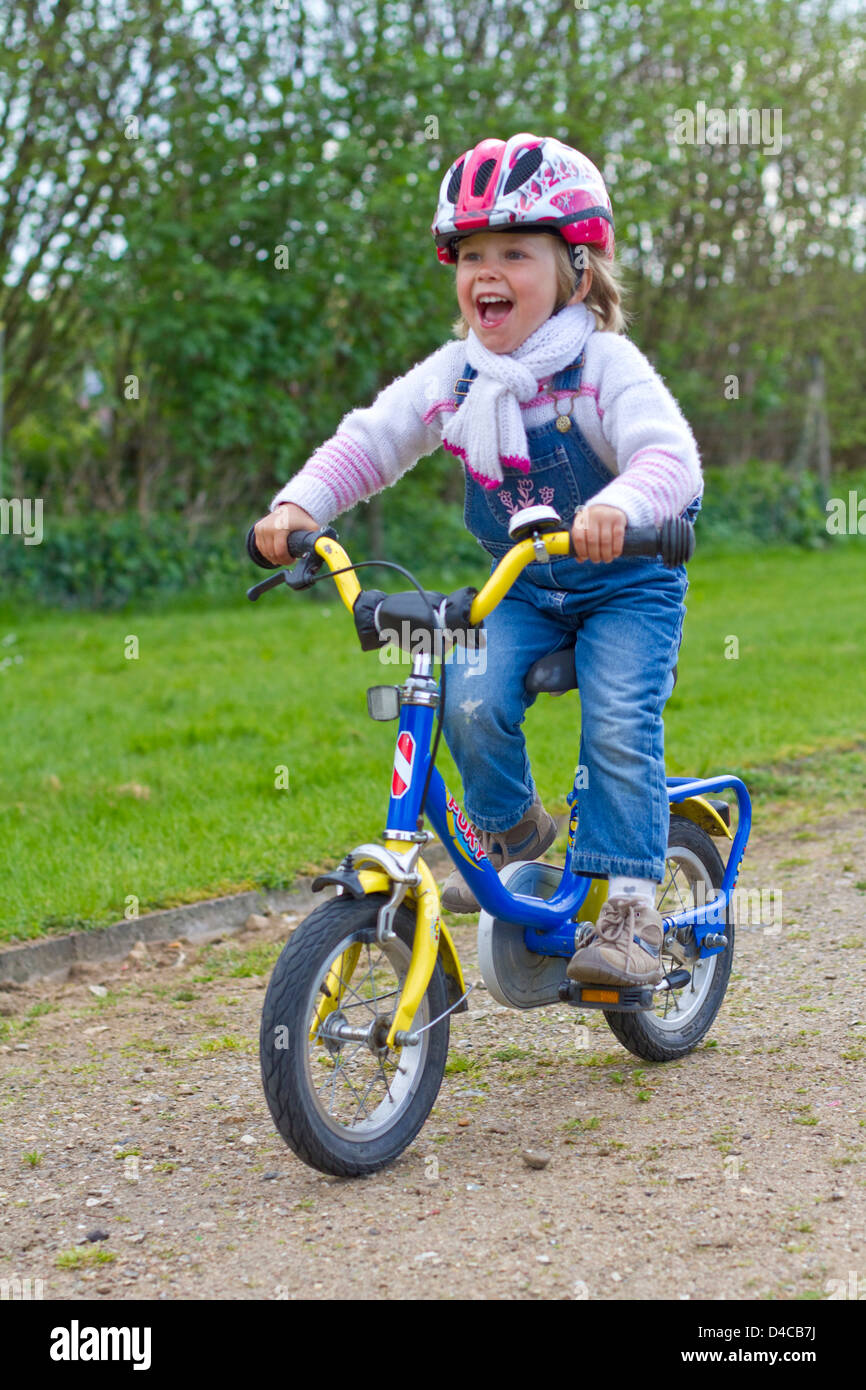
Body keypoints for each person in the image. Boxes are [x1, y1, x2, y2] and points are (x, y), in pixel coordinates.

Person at [253, 133, 702, 988]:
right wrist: (299, 507)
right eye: (470, 255)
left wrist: (618, 507)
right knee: (467, 696)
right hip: (526, 584)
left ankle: (636, 909)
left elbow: (669, 459)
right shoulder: (458, 375)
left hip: (628, 584)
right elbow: (374, 439)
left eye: (514, 253)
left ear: (574, 269)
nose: (485, 271)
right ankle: (513, 834)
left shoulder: (602, 364)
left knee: (616, 723)